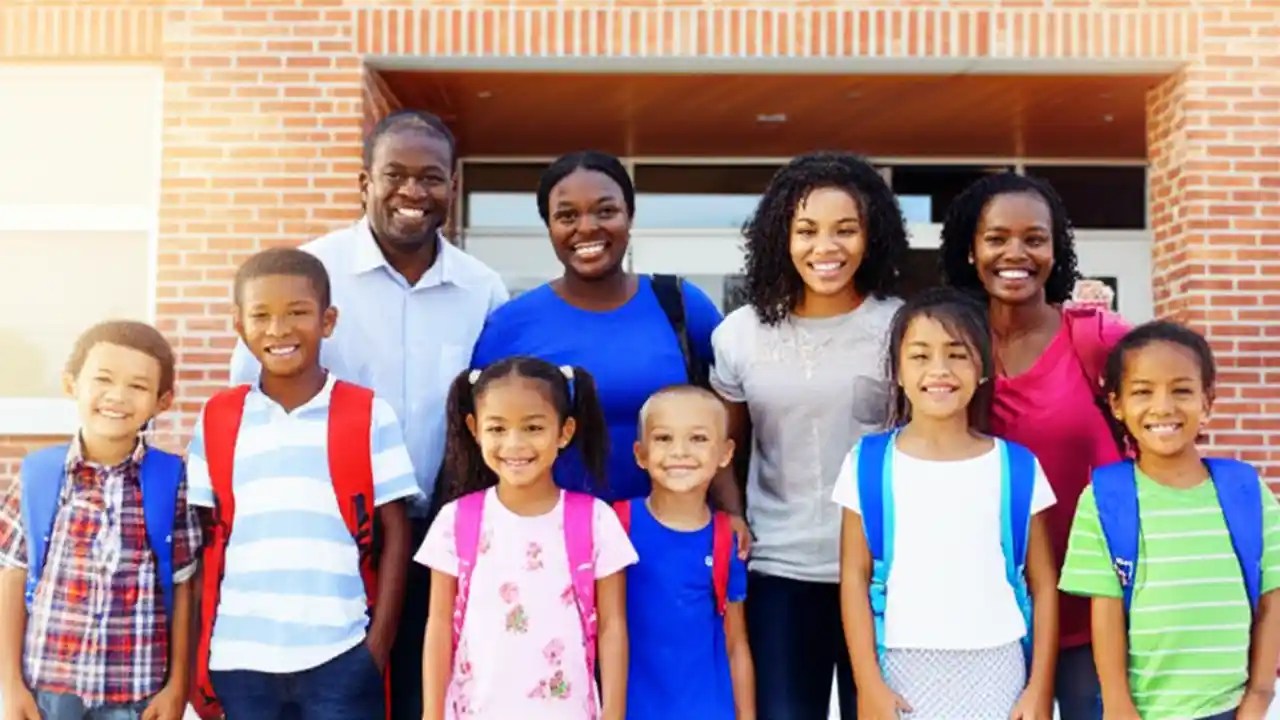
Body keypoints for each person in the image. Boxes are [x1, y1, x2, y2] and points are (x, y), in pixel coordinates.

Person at [227, 110, 507, 719]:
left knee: (423, 694)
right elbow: (251, 401)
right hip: (328, 540)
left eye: (431, 177)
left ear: (452, 188)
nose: (414, 191)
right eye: (395, 175)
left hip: (438, 530)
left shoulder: (482, 288)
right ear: (364, 183)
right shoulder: (308, 275)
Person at [709, 150, 908, 718]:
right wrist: (732, 515)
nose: (827, 248)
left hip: (884, 573)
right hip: (779, 570)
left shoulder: (901, 328)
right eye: (807, 231)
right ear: (781, 236)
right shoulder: (740, 336)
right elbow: (728, 448)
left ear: (872, 237)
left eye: (846, 230)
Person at [188, 248, 420, 719]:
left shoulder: (368, 413)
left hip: (341, 652)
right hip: (239, 657)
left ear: (328, 320)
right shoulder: (218, 417)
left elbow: (396, 531)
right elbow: (202, 541)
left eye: (297, 313)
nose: (278, 330)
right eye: (261, 315)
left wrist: (377, 645)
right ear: (238, 324)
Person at [467, 151, 742, 531]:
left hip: (671, 538)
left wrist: (733, 516)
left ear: (629, 216)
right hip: (550, 544)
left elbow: (727, 418)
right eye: (567, 216)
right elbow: (484, 443)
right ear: (549, 227)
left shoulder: (680, 305)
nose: (587, 227)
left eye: (605, 211)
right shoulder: (510, 326)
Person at [939, 171, 1129, 718]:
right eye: (996, 238)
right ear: (971, 251)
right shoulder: (950, 348)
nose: (1015, 253)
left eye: (1034, 238)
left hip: (1092, 607)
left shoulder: (1095, 339)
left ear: (1055, 248)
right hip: (985, 610)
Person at [833, 289, 1059, 719]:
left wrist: (1039, 689)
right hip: (901, 667)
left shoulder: (1015, 466)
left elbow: (1043, 584)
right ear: (897, 370)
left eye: (957, 354)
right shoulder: (868, 464)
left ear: (983, 368)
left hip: (998, 666)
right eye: (920, 355)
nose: (939, 370)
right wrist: (868, 684)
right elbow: (854, 577)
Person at [1059, 321, 1280, 720]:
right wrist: (1117, 703)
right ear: (1117, 404)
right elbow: (1105, 611)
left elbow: (1272, 599)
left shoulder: (1246, 491)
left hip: (1232, 708)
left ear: (1207, 402)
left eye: (1181, 390)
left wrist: (1259, 697)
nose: (1163, 407)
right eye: (1143, 392)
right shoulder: (1104, 499)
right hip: (1144, 711)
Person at [0, 321, 201, 720]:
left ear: (163, 401)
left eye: (138, 386)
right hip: (48, 691)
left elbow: (185, 588)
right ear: (71, 383)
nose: (118, 397)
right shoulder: (38, 475)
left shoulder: (172, 480)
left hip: (137, 694)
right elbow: (11, 576)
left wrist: (178, 687)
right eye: (103, 379)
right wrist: (10, 685)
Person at [416, 357, 637, 720]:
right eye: (497, 429)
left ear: (564, 432)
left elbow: (613, 627)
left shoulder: (595, 520)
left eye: (533, 428)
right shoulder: (455, 520)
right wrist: (431, 713)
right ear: (475, 429)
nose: (514, 444)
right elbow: (438, 624)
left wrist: (614, 713)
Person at [618, 385, 755, 720]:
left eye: (698, 438)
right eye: (664, 438)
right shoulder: (615, 525)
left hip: (708, 709)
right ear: (640, 453)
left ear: (725, 453)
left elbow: (736, 644)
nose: (680, 451)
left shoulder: (727, 539)